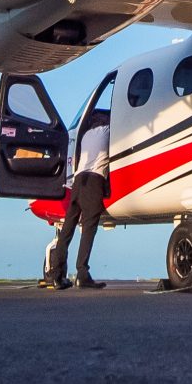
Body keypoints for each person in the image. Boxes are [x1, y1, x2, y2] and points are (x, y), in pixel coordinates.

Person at [43, 104, 112, 289]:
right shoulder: (109, 131)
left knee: (67, 230)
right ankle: (82, 274)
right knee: (88, 229)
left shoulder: (86, 135)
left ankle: (57, 276)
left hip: (78, 182)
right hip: (93, 182)